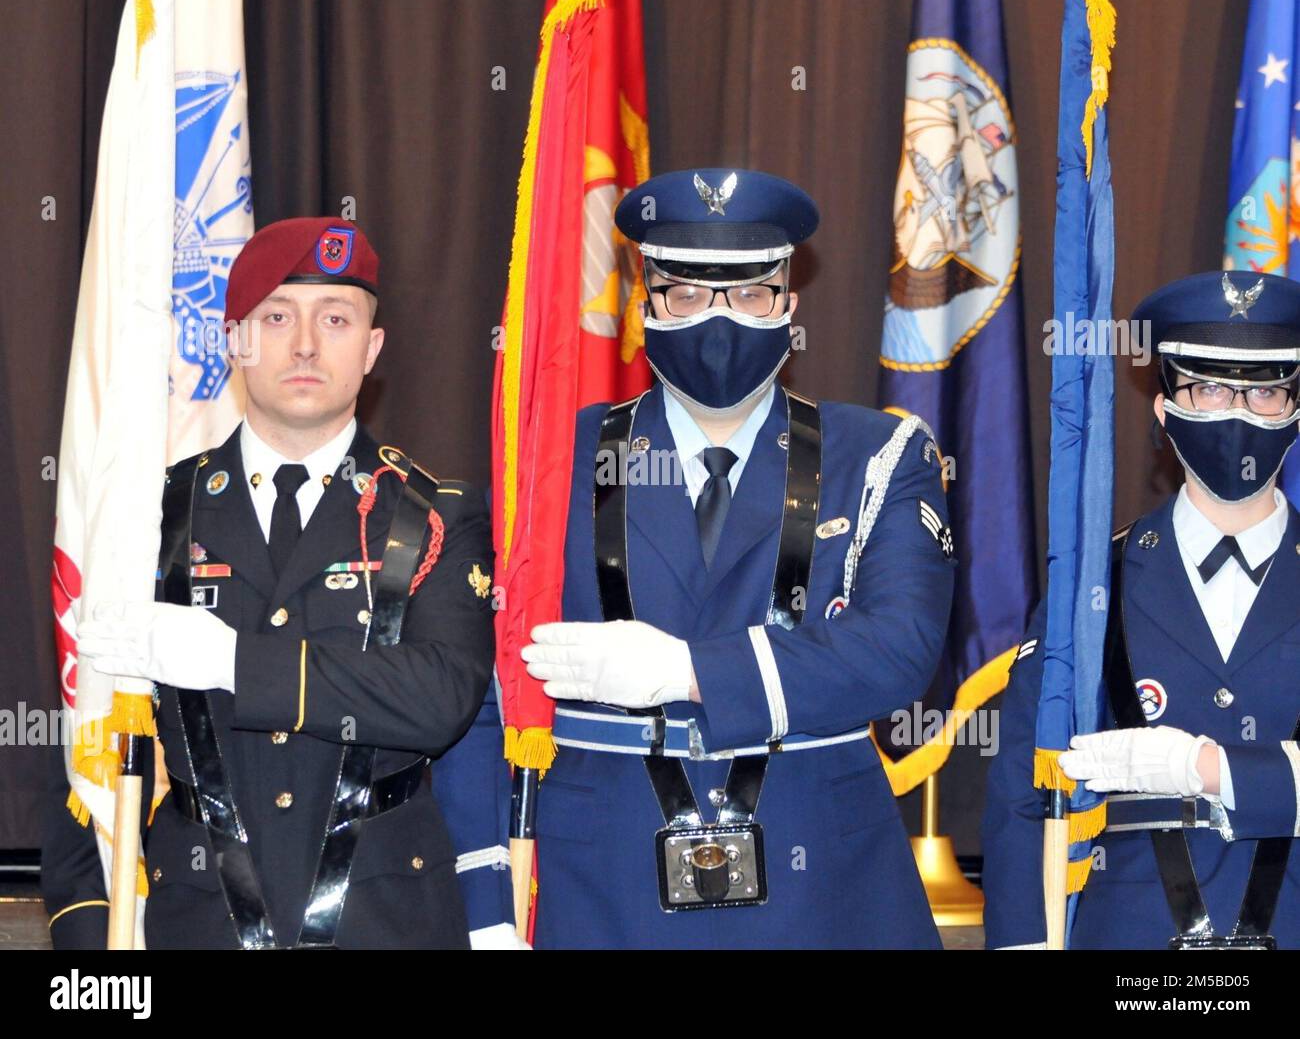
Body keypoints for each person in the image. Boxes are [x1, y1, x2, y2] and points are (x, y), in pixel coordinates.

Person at [518, 168, 957, 948]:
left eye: (749, 293)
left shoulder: (880, 452)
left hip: (823, 879)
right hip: (606, 880)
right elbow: (497, 687)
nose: (717, 320)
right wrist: (488, 892)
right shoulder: (557, 453)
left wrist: (689, 672)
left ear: (789, 303)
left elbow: (898, 653)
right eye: (686, 294)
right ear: (644, 301)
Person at [42, 217, 497, 949]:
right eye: (277, 316)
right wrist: (95, 944)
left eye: (337, 318)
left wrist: (229, 661)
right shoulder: (149, 519)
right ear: (234, 342)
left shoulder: (435, 516)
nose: (306, 343)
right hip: (191, 923)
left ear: (372, 348)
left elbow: (439, 695)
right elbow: (84, 733)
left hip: (384, 925)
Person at [983, 270, 1300, 949]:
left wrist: (1208, 770)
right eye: (1209, 388)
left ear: (1296, 408)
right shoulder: (1092, 581)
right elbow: (1025, 784)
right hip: (1131, 940)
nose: (1238, 413)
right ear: (1163, 409)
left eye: (1266, 391)